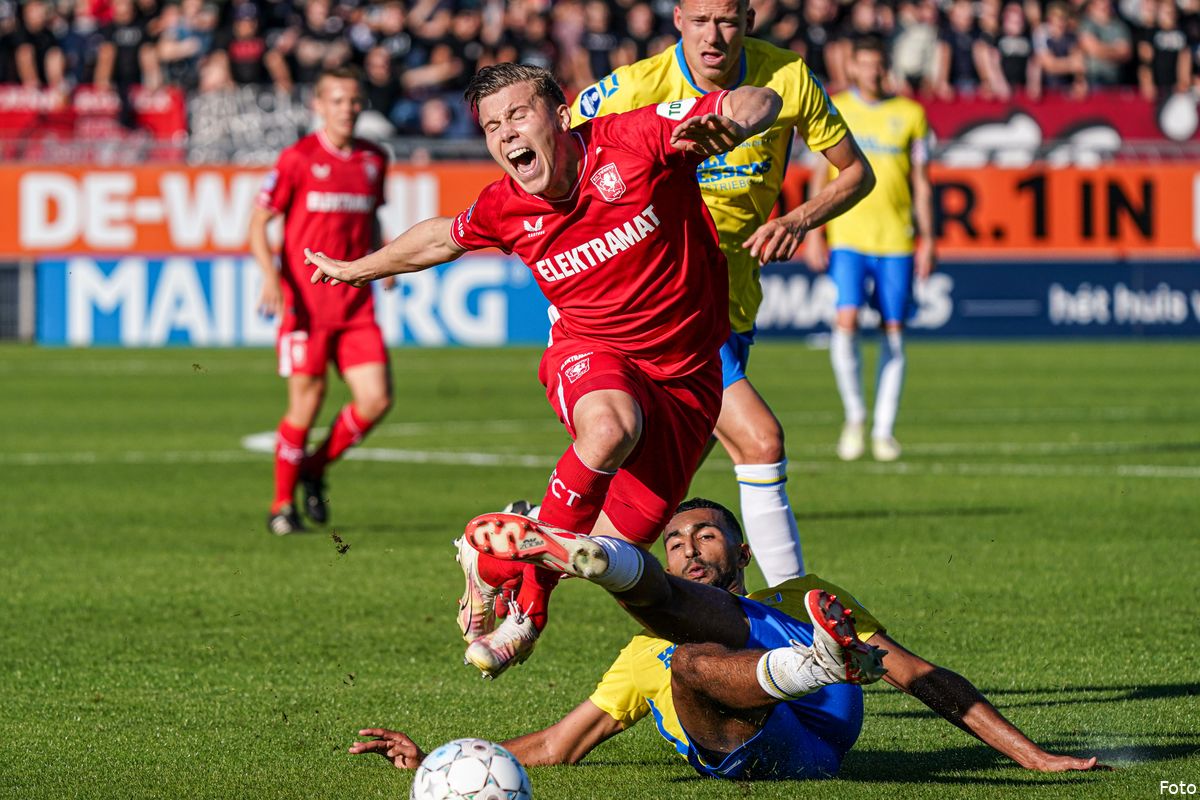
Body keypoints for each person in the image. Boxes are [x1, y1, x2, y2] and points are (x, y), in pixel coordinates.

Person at [306, 63, 783, 678]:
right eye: (491, 126)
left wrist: (733, 123)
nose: (506, 135)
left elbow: (758, 98)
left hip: (689, 377)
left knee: (608, 549)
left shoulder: (632, 141)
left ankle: (492, 566)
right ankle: (528, 615)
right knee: (609, 428)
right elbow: (440, 240)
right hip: (592, 352)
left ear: (561, 116)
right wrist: (358, 269)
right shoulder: (505, 206)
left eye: (517, 115)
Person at [354, 499, 1105, 781]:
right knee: (679, 656)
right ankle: (810, 663)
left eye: (707, 532)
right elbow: (558, 745)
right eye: (674, 537)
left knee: (680, 628)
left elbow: (922, 674)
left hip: (823, 714)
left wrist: (1029, 753)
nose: (689, 545)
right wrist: (445, 761)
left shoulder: (806, 599)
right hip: (762, 746)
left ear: (741, 553)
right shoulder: (643, 658)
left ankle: (597, 562)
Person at [568, 0, 876, 589]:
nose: (714, 35)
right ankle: (794, 625)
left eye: (728, 20)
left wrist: (799, 219)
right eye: (702, 20)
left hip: (733, 303)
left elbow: (855, 171)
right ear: (679, 19)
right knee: (761, 440)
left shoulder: (787, 76)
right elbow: (558, 152)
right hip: (665, 302)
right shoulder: (635, 86)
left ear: (749, 21)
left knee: (652, 499)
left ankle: (522, 546)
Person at [249, 65, 393, 536]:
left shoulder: (374, 158)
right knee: (305, 408)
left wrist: (385, 258)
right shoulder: (298, 158)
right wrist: (270, 277)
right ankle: (279, 507)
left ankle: (312, 467)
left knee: (376, 400)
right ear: (319, 105)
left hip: (356, 306)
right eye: (337, 100)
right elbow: (258, 222)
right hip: (305, 308)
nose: (347, 109)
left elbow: (369, 219)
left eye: (354, 100)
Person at [805, 37, 934, 463]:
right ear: (853, 67)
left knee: (893, 332)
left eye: (879, 65)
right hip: (848, 236)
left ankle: (884, 429)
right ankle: (856, 417)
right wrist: (812, 231)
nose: (873, 73)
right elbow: (818, 177)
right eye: (864, 65)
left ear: (887, 68)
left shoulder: (910, 114)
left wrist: (928, 237)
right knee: (845, 321)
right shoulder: (834, 108)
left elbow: (921, 180)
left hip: (896, 237)